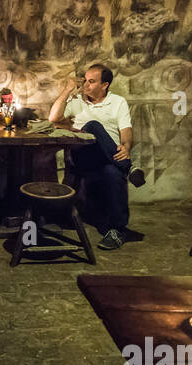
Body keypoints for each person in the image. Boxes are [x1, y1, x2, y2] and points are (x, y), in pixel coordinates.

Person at [48, 63, 146, 250]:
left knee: (112, 172)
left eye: (91, 82)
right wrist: (67, 91)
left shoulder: (118, 102)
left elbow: (126, 133)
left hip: (110, 158)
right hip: (84, 156)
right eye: (85, 80)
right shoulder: (76, 100)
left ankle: (117, 230)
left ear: (105, 85)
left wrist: (125, 148)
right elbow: (53, 118)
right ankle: (129, 167)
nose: (86, 85)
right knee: (92, 126)